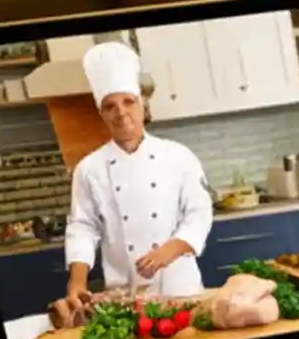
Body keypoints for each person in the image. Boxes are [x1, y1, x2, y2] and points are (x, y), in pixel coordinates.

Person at [55, 41, 214, 324]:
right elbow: (82, 227)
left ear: (142, 105)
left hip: (181, 291)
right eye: (110, 106)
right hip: (124, 298)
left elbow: (200, 213)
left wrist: (169, 250)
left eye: (128, 101)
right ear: (101, 113)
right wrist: (77, 280)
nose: (121, 112)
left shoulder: (179, 156)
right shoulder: (88, 169)